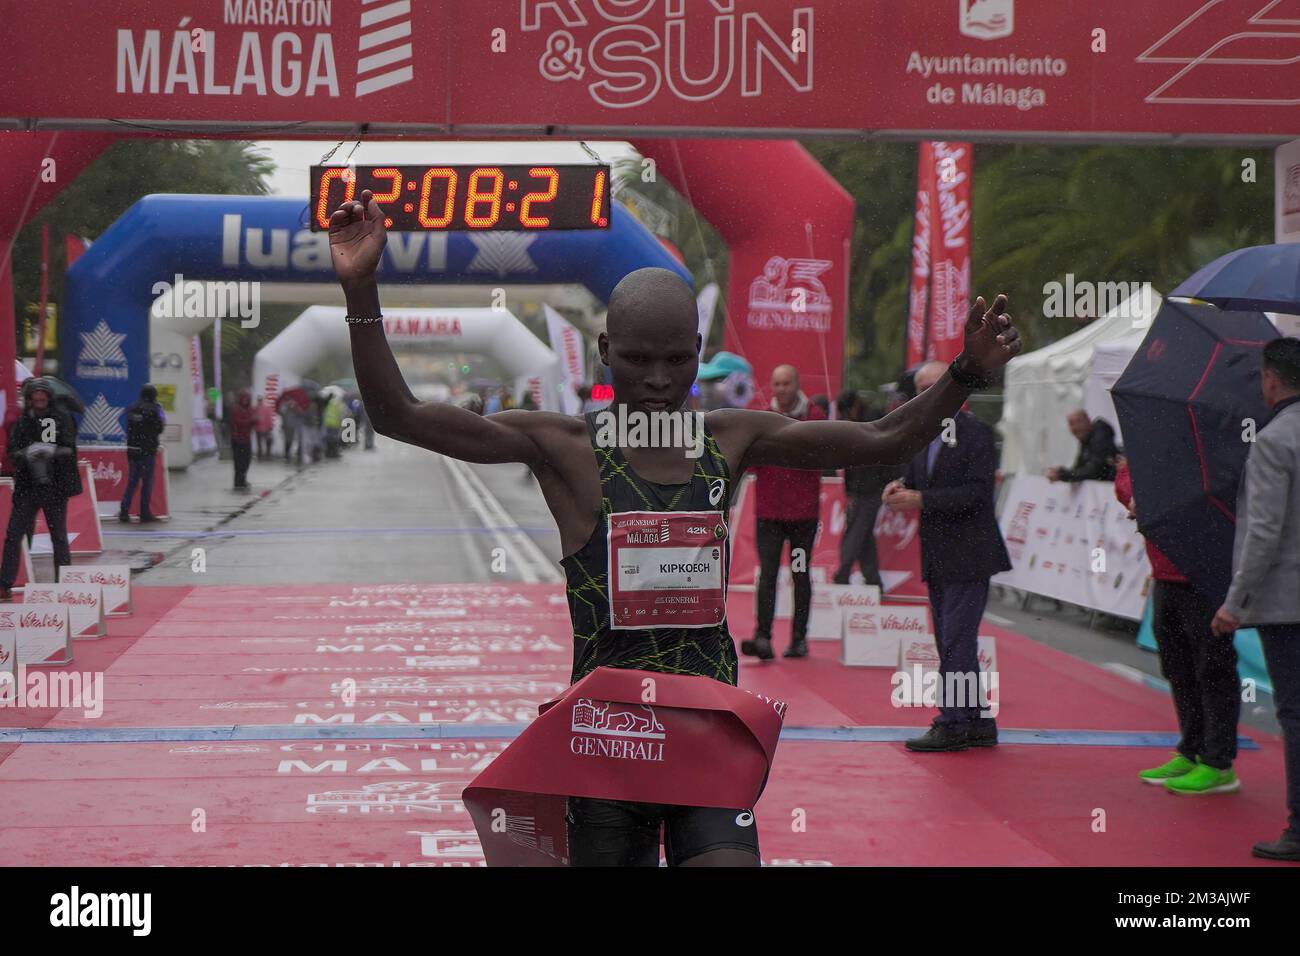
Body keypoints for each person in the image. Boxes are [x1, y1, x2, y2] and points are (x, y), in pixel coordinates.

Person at [327, 189, 1020, 866]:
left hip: (707, 727)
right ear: (604, 349)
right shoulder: (563, 446)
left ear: (697, 350)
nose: (659, 378)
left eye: (676, 360)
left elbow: (880, 439)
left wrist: (963, 374)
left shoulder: (734, 437)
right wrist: (361, 292)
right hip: (604, 737)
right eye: (637, 359)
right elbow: (403, 417)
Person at [883, 361, 1011, 752]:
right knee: (952, 641)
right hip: (938, 555)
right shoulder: (923, 434)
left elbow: (975, 494)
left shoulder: (977, 434)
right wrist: (901, 486)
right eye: (921, 387)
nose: (927, 393)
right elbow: (923, 481)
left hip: (971, 554)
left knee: (956, 640)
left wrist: (920, 499)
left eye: (934, 385)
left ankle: (953, 721)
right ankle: (976, 719)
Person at [1212, 337, 1300, 862]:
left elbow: (1263, 533)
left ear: (1271, 379)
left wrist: (1235, 602)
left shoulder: (1273, 440)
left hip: (1288, 603)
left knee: (1296, 714)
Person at [1117, 457, 1240, 793]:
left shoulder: (1208, 444)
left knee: (1212, 667)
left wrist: (1158, 496)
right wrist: (1138, 495)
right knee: (1177, 666)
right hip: (1165, 574)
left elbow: (1217, 490)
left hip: (1205, 573)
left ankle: (1218, 762)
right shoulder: (1153, 438)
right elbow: (1124, 476)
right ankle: (1191, 748)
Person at [740, 364, 827, 661]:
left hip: (803, 517)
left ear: (797, 384)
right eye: (776, 383)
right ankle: (762, 637)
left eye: (786, 383)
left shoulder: (815, 416)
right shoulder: (760, 415)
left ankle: (799, 639)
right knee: (767, 575)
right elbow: (749, 461)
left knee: (800, 574)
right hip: (769, 516)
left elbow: (821, 455)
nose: (781, 389)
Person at [0, 379, 82, 600]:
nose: (39, 400)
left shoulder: (62, 419)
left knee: (58, 537)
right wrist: (27, 454)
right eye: (35, 397)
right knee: (14, 535)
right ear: (29, 399)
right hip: (27, 488)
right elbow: (11, 452)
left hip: (54, 488)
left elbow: (70, 449)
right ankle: (4, 583)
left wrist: (51, 452)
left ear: (48, 398)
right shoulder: (22, 422)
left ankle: (63, 582)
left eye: (42, 396)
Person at [833, 391, 899, 587]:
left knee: (856, 529)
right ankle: (873, 580)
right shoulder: (863, 422)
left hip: (871, 485)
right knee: (864, 534)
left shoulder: (870, 423)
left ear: (854, 408)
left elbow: (867, 460)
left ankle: (843, 571)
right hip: (865, 485)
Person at [121, 384, 165, 523]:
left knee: (132, 481)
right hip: (147, 450)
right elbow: (160, 427)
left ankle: (124, 510)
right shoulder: (155, 409)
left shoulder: (132, 408)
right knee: (146, 482)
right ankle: (144, 512)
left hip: (133, 449)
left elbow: (127, 425)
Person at [1047, 409, 1118, 483]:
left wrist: (1063, 475)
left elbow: (1094, 470)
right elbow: (1079, 469)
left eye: (1078, 422)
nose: (1076, 427)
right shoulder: (1086, 440)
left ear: (1088, 420)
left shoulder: (1100, 434)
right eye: (1071, 424)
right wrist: (1062, 473)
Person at [229, 389, 255, 489]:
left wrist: (255, 421)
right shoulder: (236, 410)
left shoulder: (249, 410)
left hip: (246, 438)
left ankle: (243, 479)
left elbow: (251, 422)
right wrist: (250, 421)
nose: (245, 401)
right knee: (238, 462)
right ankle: (238, 482)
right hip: (237, 439)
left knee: (247, 460)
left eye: (247, 399)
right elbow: (237, 422)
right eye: (244, 399)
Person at [254, 395, 275, 460]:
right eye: (259, 400)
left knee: (268, 441)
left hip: (266, 428)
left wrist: (270, 427)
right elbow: (253, 418)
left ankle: (267, 455)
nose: (259, 401)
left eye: (260, 400)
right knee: (259, 443)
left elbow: (269, 418)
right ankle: (260, 455)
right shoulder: (255, 408)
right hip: (258, 428)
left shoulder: (266, 408)